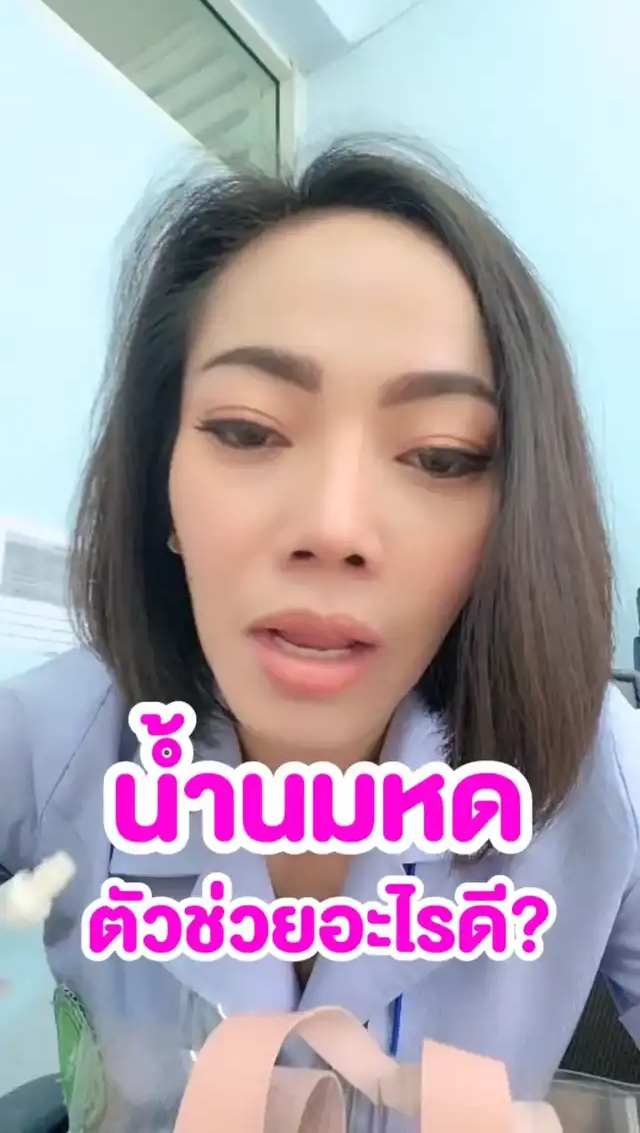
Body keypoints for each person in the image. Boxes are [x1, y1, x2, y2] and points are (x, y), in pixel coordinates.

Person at [1, 136, 638, 1130]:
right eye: (247, 430)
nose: (333, 528)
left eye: (440, 455)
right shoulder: (49, 735)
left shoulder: (605, 770)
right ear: (162, 489)